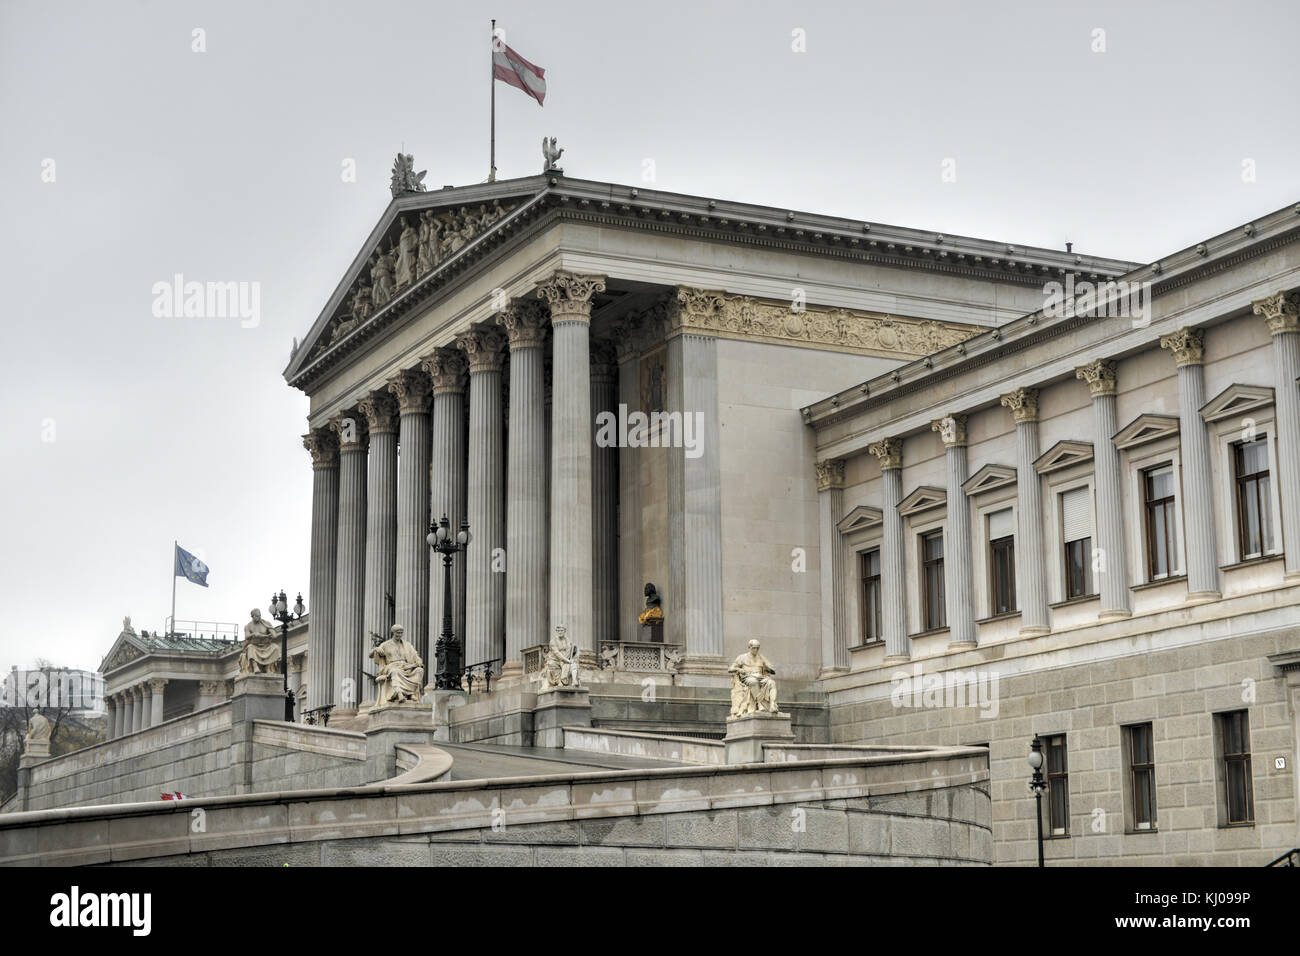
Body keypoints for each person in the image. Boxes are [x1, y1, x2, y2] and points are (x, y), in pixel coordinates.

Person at [371, 624, 425, 706]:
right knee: (395, 672)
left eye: (401, 633)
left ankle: (411, 693)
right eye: (397, 633)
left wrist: (418, 661)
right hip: (391, 666)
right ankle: (399, 693)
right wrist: (376, 649)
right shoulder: (386, 644)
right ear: (393, 633)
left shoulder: (407, 644)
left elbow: (415, 655)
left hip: (406, 666)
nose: (399, 635)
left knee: (419, 670)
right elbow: (371, 655)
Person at [728, 640, 779, 717]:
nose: (756, 650)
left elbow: (773, 670)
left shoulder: (761, 658)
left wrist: (767, 668)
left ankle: (772, 705)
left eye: (757, 648)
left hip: (761, 677)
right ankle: (760, 703)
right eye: (754, 648)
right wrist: (739, 669)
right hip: (747, 677)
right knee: (753, 682)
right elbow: (730, 669)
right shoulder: (742, 657)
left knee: (772, 683)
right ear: (749, 647)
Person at [239, 609, 282, 675]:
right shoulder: (248, 626)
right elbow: (247, 636)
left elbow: (275, 635)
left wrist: (269, 634)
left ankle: (268, 667)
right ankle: (255, 665)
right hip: (255, 645)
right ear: (252, 616)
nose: (259, 618)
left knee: (275, 647)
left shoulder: (266, 623)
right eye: (257, 616)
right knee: (250, 648)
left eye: (259, 616)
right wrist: (253, 634)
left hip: (266, 645)